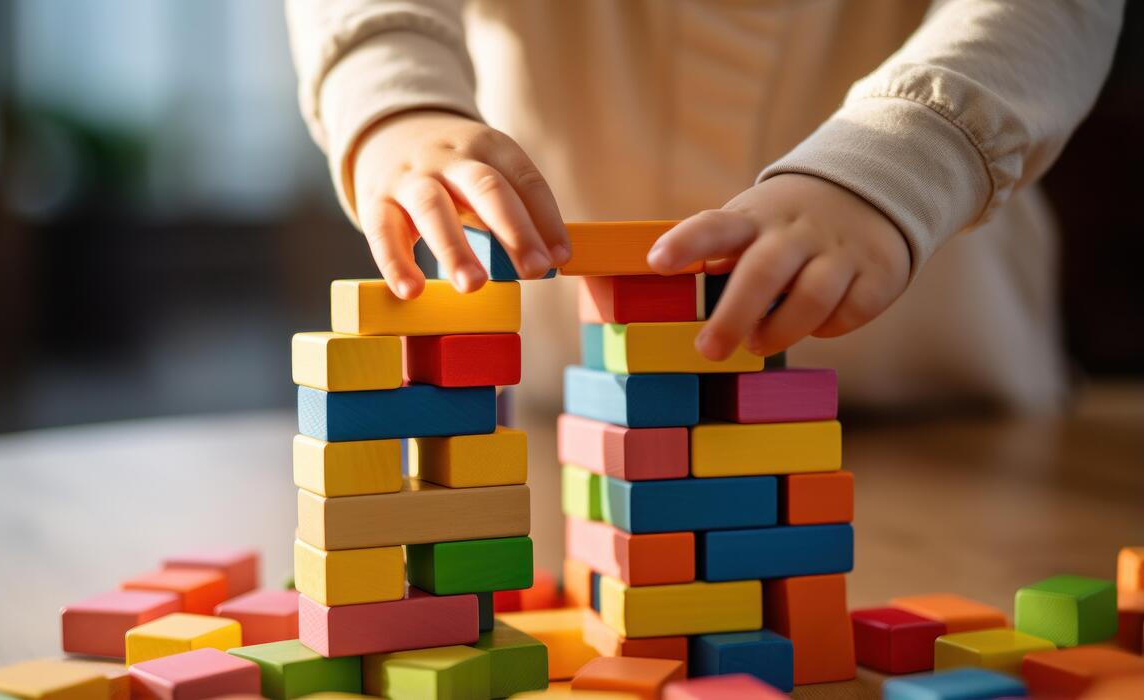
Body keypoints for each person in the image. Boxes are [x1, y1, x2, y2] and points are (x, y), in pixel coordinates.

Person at [286, 1, 1122, 568]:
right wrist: (395, 100)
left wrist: (903, 157)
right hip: (571, 414)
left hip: (953, 409)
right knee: (613, 550)